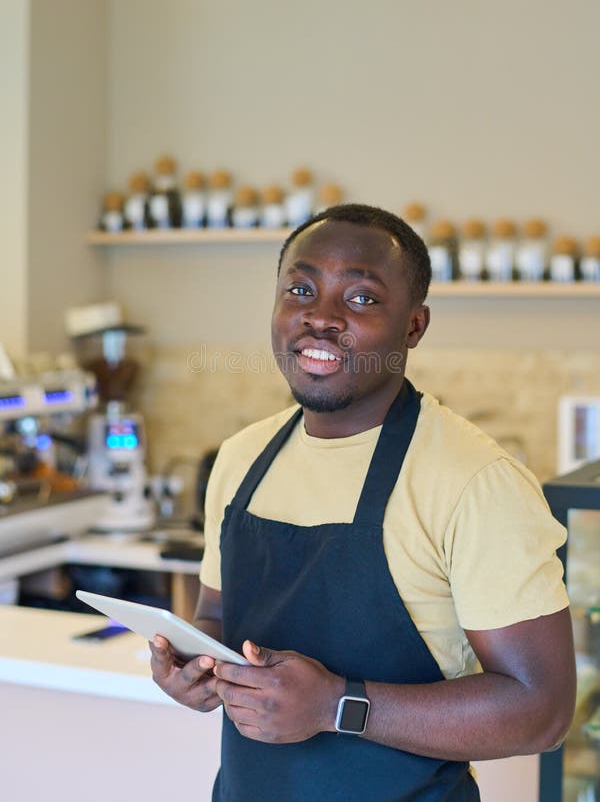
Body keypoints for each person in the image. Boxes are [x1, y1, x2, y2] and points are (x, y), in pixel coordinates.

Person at [150, 204, 576, 801]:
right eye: (300, 289)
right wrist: (192, 668)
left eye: (361, 298)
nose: (319, 318)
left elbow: (544, 710)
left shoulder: (476, 482)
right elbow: (217, 621)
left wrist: (334, 706)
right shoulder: (240, 458)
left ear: (414, 326)